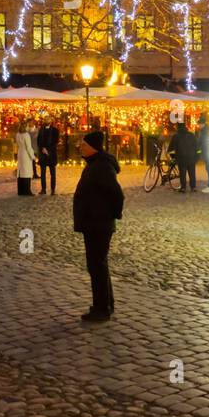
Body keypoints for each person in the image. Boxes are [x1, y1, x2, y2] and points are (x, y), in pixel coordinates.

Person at [73, 130, 123, 323]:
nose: (81, 147)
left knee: (97, 265)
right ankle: (105, 304)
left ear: (93, 147)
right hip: (93, 223)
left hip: (98, 224)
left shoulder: (101, 167)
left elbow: (116, 194)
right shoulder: (95, 165)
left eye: (84, 145)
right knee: (97, 265)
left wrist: (110, 215)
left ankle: (102, 308)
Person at [171, 121, 198, 192]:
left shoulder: (176, 136)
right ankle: (193, 187)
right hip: (191, 157)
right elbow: (196, 146)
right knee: (192, 172)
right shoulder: (191, 135)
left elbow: (171, 148)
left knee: (182, 173)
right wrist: (196, 157)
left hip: (181, 158)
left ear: (178, 127)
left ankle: (183, 187)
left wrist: (173, 156)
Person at [37, 117, 60, 195]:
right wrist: (42, 148)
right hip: (43, 154)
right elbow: (38, 141)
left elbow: (55, 141)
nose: (46, 120)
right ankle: (43, 189)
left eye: (48, 119)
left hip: (51, 154)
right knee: (42, 173)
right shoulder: (41, 130)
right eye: (45, 119)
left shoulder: (55, 130)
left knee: (52, 173)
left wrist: (48, 150)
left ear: (51, 121)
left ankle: (53, 189)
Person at [14, 120, 36, 196]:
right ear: (25, 127)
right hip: (26, 154)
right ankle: (27, 190)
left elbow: (17, 144)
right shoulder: (26, 135)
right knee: (26, 172)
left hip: (20, 153)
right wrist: (33, 157)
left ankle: (20, 190)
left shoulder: (18, 134)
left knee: (20, 172)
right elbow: (28, 147)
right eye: (27, 126)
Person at [197, 115, 209, 192]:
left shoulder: (205, 132)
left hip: (208, 153)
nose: (198, 125)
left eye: (199, 124)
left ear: (203, 124)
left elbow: (203, 142)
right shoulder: (206, 130)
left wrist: (198, 147)